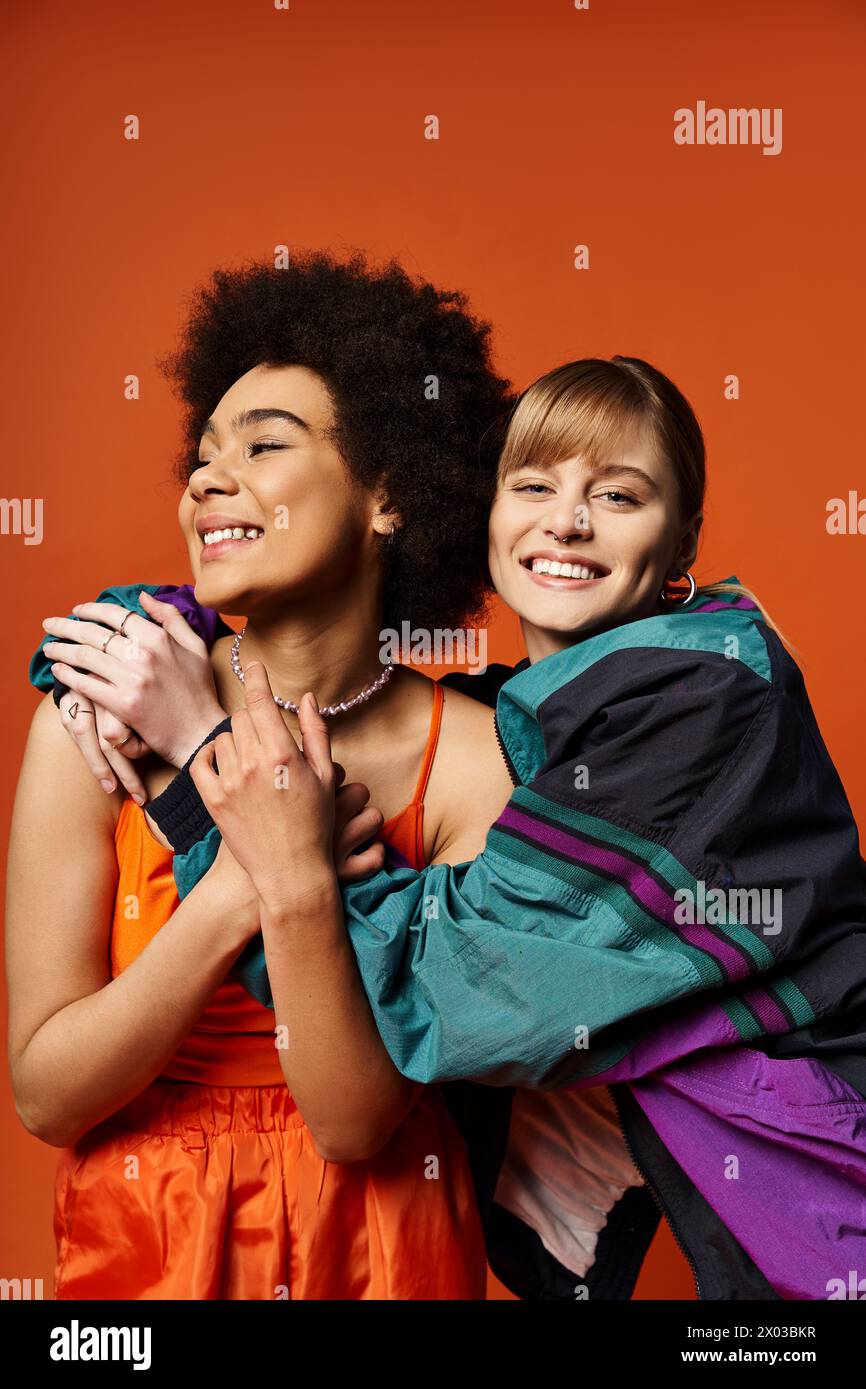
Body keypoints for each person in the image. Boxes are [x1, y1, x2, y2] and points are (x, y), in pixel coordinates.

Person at [32, 355, 866, 1301]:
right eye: (532, 485)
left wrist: (210, 790)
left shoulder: (683, 712)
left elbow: (438, 1001)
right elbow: (42, 1090)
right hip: (138, 1260)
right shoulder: (535, 721)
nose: (567, 519)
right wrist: (128, 636)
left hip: (814, 1193)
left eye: (620, 495)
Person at [9, 249, 520, 1300]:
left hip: (386, 1249)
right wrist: (247, 876)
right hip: (143, 1260)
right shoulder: (101, 712)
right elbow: (45, 1094)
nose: (205, 478)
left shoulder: (472, 767)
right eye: (201, 455)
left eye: (264, 444)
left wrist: (296, 881)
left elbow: (355, 1116)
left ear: (388, 492)